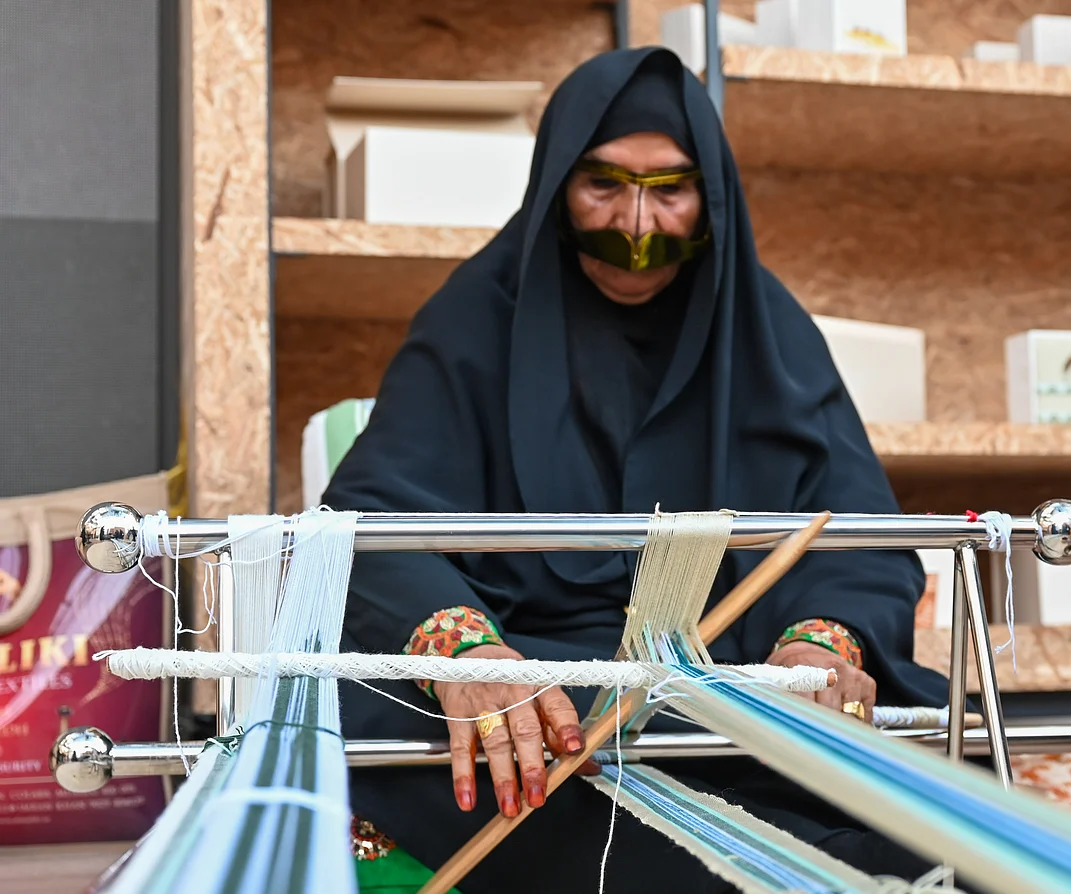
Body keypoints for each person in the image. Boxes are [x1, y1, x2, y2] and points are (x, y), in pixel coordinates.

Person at [324, 46, 956, 894]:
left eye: (670, 192)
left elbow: (863, 536)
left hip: (742, 704)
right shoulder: (476, 319)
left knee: (961, 770)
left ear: (711, 197)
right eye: (605, 185)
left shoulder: (767, 330)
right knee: (410, 731)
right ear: (556, 187)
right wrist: (467, 652)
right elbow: (367, 523)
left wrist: (819, 641)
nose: (636, 227)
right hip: (548, 696)